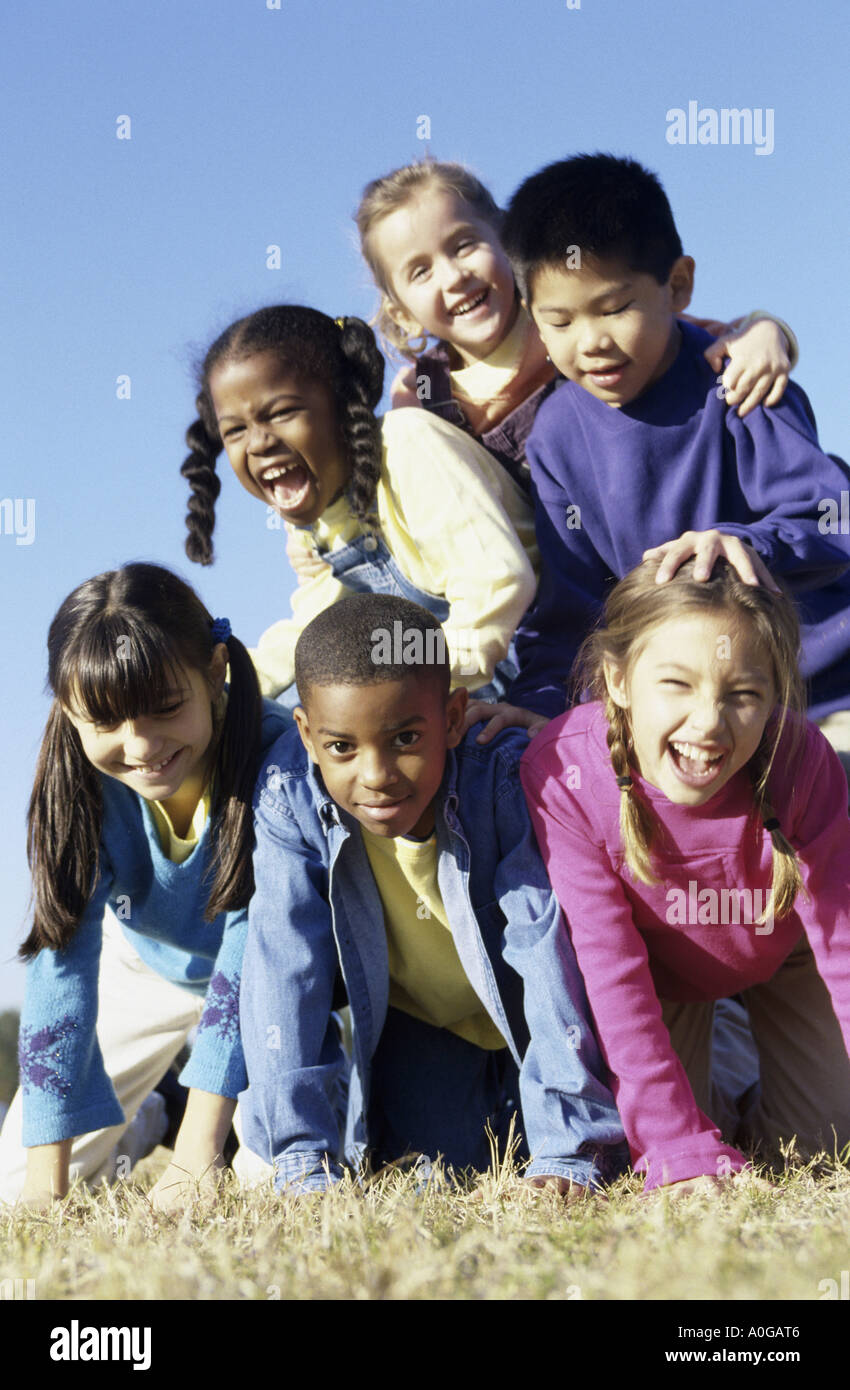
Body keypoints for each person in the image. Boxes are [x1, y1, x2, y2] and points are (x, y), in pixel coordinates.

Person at [237, 593, 626, 1196]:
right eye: (342, 747)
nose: (376, 775)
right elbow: (286, 971)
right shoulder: (289, 796)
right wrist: (301, 1158)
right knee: (429, 1176)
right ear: (308, 736)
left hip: (538, 1025)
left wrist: (571, 1151)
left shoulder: (502, 779)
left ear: (451, 718)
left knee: (599, 1158)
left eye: (405, 739)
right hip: (426, 1032)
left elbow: (546, 950)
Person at [498, 153, 850, 775]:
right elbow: (572, 607)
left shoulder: (736, 381)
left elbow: (833, 521)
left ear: (678, 286)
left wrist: (743, 545)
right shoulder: (555, 436)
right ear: (534, 320)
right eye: (560, 320)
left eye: (614, 309)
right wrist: (539, 704)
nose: (592, 341)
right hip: (688, 727)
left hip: (819, 694)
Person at [520, 558, 850, 1192]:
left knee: (817, 1150)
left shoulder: (803, 760)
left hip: (787, 953)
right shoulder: (566, 775)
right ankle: (724, 1042)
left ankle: (755, 1051)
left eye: (743, 695)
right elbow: (611, 973)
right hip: (664, 978)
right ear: (618, 680)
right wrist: (674, 1145)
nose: (709, 723)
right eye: (676, 683)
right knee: (693, 1141)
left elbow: (840, 941)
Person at [0, 564, 291, 1211]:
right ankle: (155, 1109)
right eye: (106, 722)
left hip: (270, 982)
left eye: (165, 708)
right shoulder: (77, 788)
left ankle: (201, 1117)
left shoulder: (275, 757)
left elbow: (250, 963)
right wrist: (49, 1188)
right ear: (69, 712)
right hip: (151, 964)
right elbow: (61, 971)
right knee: (16, 1189)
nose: (141, 745)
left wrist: (196, 1159)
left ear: (215, 670)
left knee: (269, 1183)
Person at [353, 157, 797, 492]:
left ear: (508, 243)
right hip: (530, 568)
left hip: (624, 515)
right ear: (403, 313)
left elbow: (691, 334)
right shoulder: (421, 394)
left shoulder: (570, 319)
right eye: (421, 271)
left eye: (464, 245)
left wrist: (764, 332)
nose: (454, 276)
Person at [181, 305, 537, 702]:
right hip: (445, 683)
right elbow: (315, 624)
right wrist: (225, 689)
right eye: (235, 431)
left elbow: (498, 586)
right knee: (284, 731)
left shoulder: (408, 447)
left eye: (281, 413)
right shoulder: (314, 517)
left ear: (343, 402)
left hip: (528, 662)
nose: (259, 442)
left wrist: (402, 691)